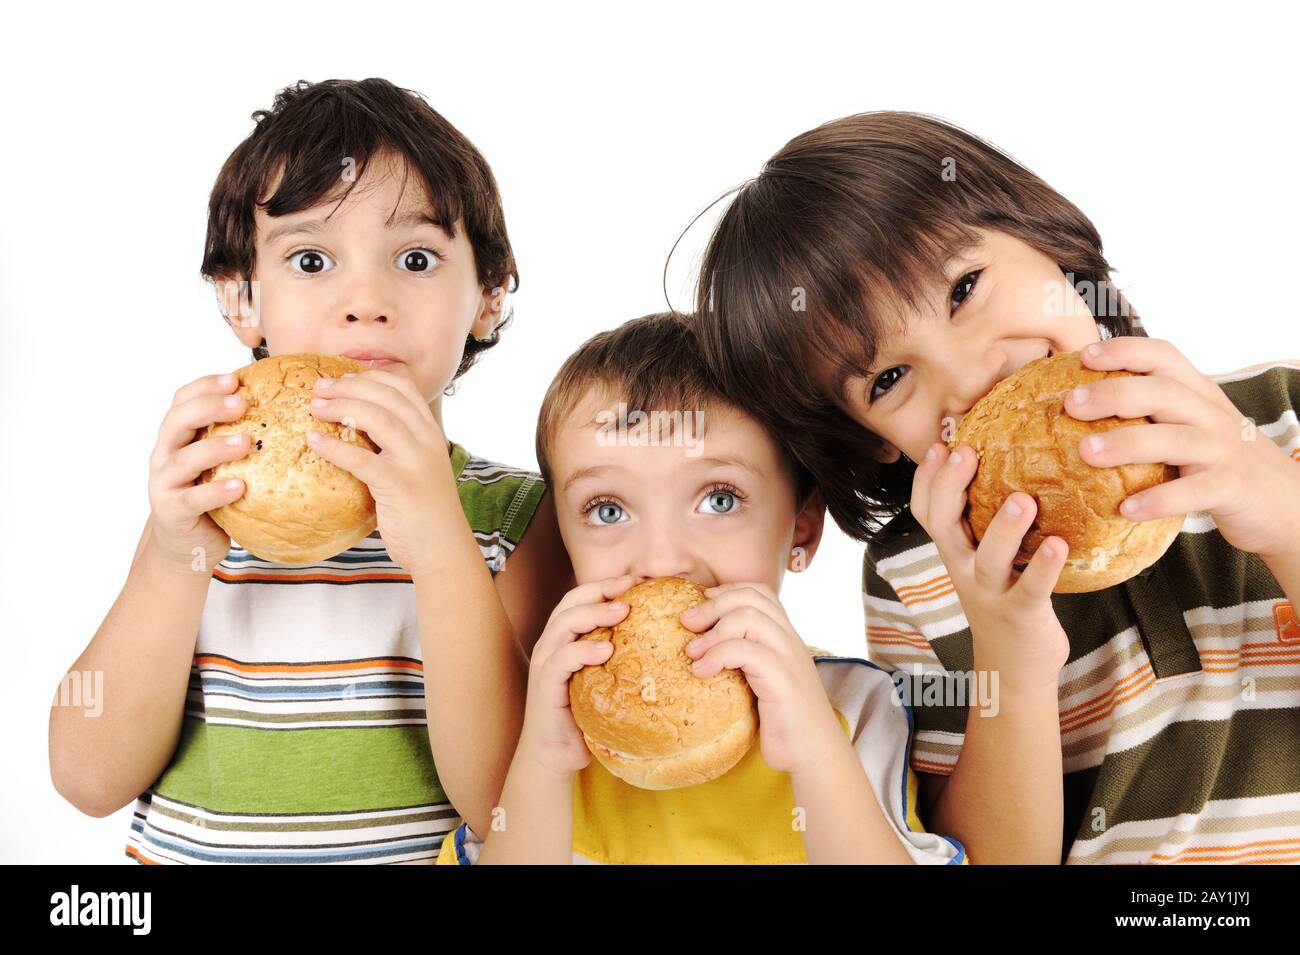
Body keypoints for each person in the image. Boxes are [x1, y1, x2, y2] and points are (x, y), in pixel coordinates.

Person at [689, 110, 1300, 864]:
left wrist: (1277, 504)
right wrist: (1008, 650)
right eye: (889, 378)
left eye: (964, 288)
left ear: (1045, 243)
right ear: (874, 438)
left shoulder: (1278, 414)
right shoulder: (915, 575)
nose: (972, 375)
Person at [48, 78, 571, 863]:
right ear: (241, 302)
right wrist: (168, 555)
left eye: (417, 257)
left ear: (489, 297)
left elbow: (510, 807)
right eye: (313, 258)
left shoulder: (516, 517)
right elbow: (86, 777)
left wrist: (439, 547)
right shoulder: (207, 500)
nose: (365, 299)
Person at [438, 313, 965, 864]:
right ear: (565, 545)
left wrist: (815, 754)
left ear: (802, 527)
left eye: (720, 499)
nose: (663, 561)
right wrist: (542, 765)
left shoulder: (856, 710)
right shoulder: (538, 724)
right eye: (608, 509)